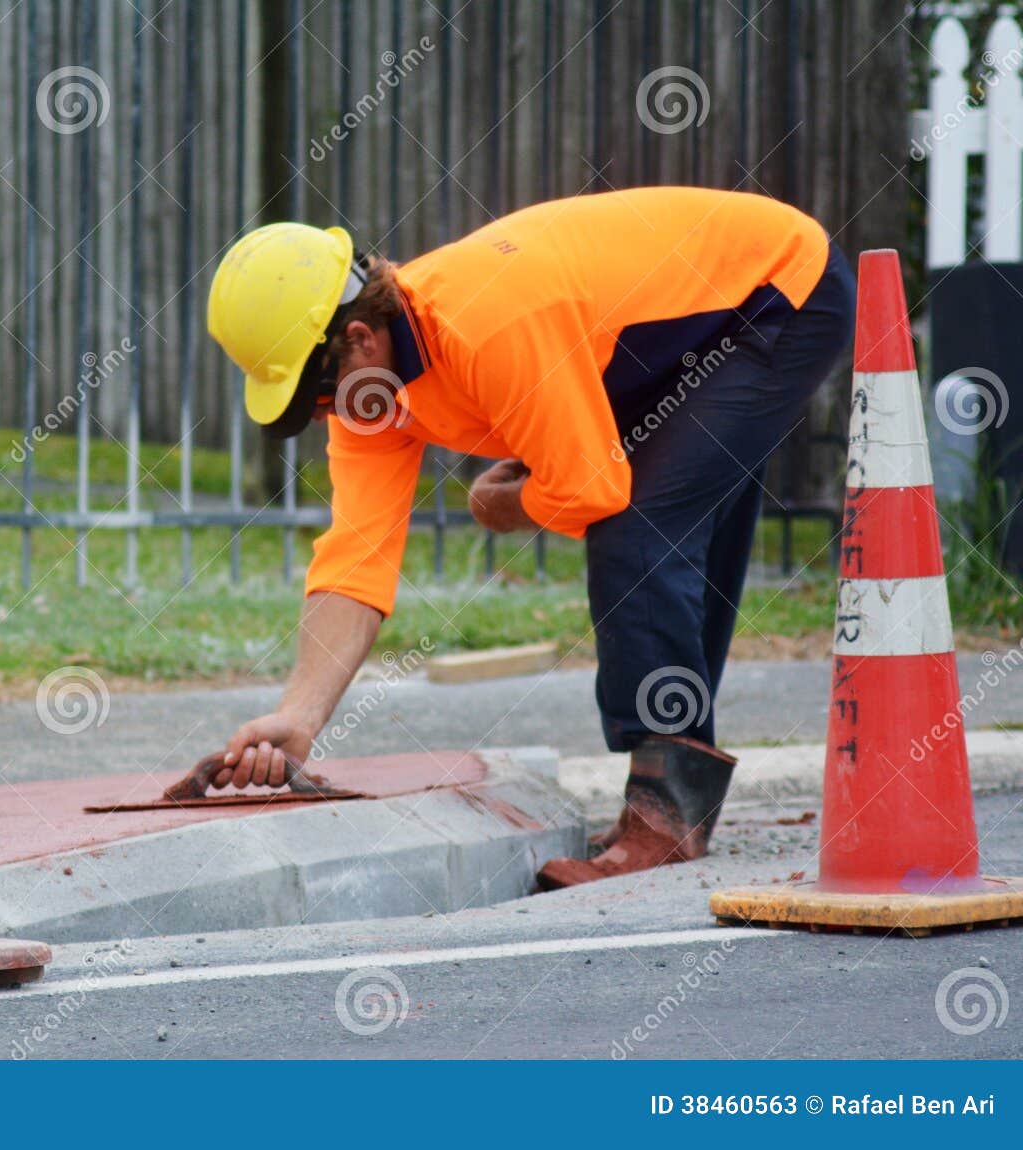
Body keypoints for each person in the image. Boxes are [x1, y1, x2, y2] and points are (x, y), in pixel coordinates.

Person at [203, 187, 854, 888]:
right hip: (675, 331)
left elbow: (589, 491)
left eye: (317, 393)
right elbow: (355, 557)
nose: (325, 413)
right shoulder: (377, 395)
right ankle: (678, 785)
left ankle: (667, 814)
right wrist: (298, 716)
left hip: (777, 288)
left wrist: (505, 507)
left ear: (357, 338)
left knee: (639, 528)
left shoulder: (485, 326)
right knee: (672, 513)